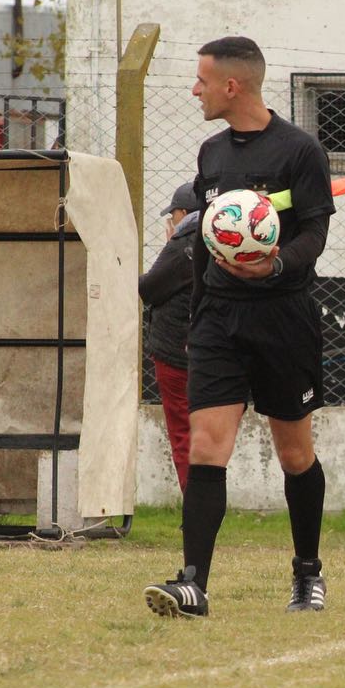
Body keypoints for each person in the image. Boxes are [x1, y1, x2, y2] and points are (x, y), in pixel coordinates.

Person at [143, 36, 335, 618]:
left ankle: (308, 574)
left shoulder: (300, 152)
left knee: (295, 453)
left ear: (233, 85)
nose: (194, 89)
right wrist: (199, 313)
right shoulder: (211, 155)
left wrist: (273, 263)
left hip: (284, 319)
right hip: (219, 321)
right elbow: (205, 243)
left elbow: (314, 236)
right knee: (207, 447)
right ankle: (192, 584)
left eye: (202, 80)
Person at [138, 181, 202, 493]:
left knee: (183, 434)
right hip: (210, 351)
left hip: (175, 352)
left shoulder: (184, 244)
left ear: (182, 212)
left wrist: (171, 243)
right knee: (207, 434)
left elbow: (150, 288)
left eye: (172, 215)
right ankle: (206, 503)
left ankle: (195, 509)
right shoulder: (220, 237)